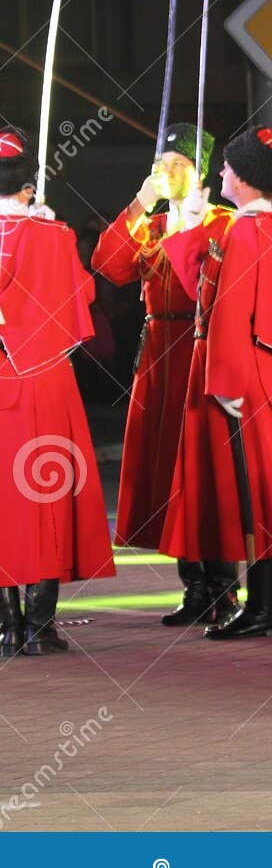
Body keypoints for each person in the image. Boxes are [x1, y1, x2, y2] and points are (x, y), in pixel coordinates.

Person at [160, 128, 272, 638]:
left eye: (227, 167)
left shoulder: (244, 233)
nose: (220, 173)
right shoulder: (271, 229)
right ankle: (267, 605)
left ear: (244, 178)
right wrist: (192, 226)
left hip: (241, 373)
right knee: (267, 491)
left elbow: (224, 310)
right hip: (268, 371)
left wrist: (222, 381)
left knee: (249, 491)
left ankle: (265, 610)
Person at [90, 124, 237, 626]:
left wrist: (192, 222)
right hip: (158, 354)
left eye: (180, 164)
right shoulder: (150, 226)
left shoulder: (224, 222)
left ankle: (224, 586)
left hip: (203, 348)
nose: (169, 173)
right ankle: (193, 586)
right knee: (166, 470)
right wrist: (141, 200)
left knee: (204, 469)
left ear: (202, 174)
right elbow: (108, 263)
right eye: (163, 164)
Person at [0, 129, 114, 655]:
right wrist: (49, 229)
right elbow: (84, 295)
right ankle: (40, 627)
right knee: (43, 495)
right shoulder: (55, 235)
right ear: (27, 186)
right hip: (45, 378)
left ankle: (6, 626)